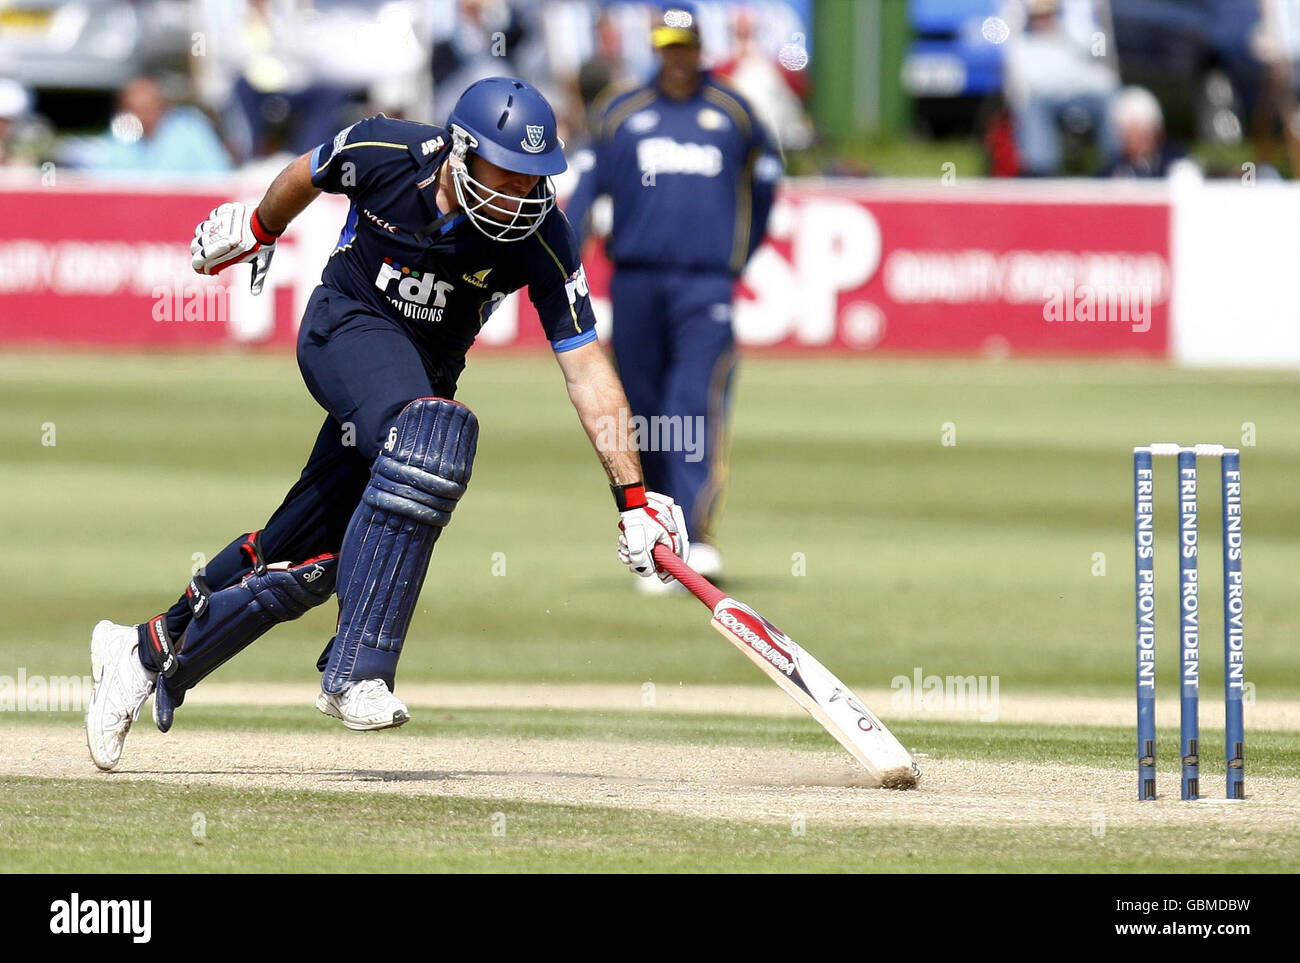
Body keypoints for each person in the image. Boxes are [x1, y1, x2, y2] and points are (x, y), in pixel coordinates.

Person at [84, 77, 688, 771]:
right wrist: (258, 229)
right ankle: (358, 670)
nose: (523, 192)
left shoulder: (542, 235)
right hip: (343, 328)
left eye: (534, 177)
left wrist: (634, 500)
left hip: (411, 389)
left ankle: (142, 648)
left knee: (310, 558)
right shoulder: (385, 150)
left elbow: (586, 367)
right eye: (508, 172)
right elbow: (305, 173)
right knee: (436, 436)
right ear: (460, 152)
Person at [565, 3, 780, 590]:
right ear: (656, 49)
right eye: (668, 47)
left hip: (705, 283)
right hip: (634, 280)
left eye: (685, 47)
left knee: (693, 403)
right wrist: (567, 260)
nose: (677, 59)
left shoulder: (732, 111)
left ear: (700, 48)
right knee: (643, 412)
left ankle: (700, 535)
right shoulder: (620, 112)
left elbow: (764, 188)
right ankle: (656, 538)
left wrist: (738, 256)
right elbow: (584, 192)